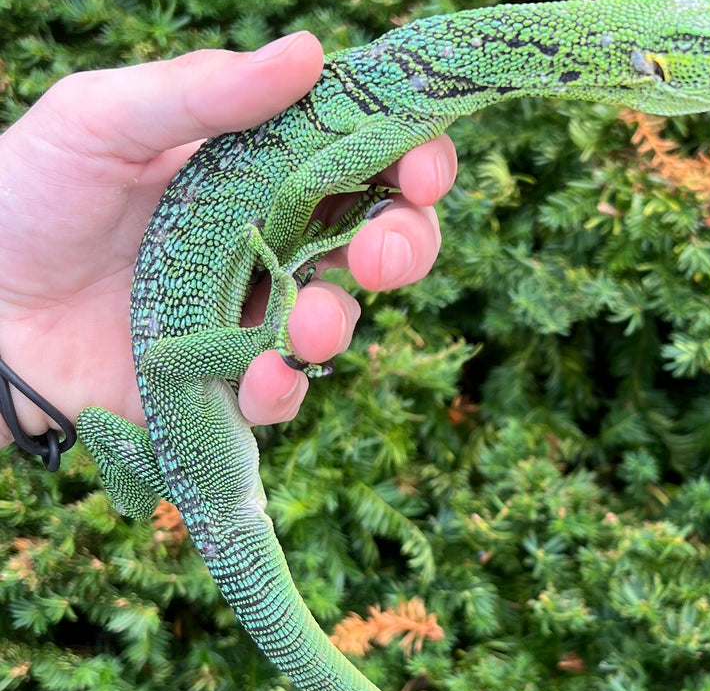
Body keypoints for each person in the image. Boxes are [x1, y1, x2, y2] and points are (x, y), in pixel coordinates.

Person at [0, 31, 457, 458]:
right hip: (168, 358)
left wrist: (24, 391)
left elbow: (160, 368)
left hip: (172, 349)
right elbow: (149, 379)